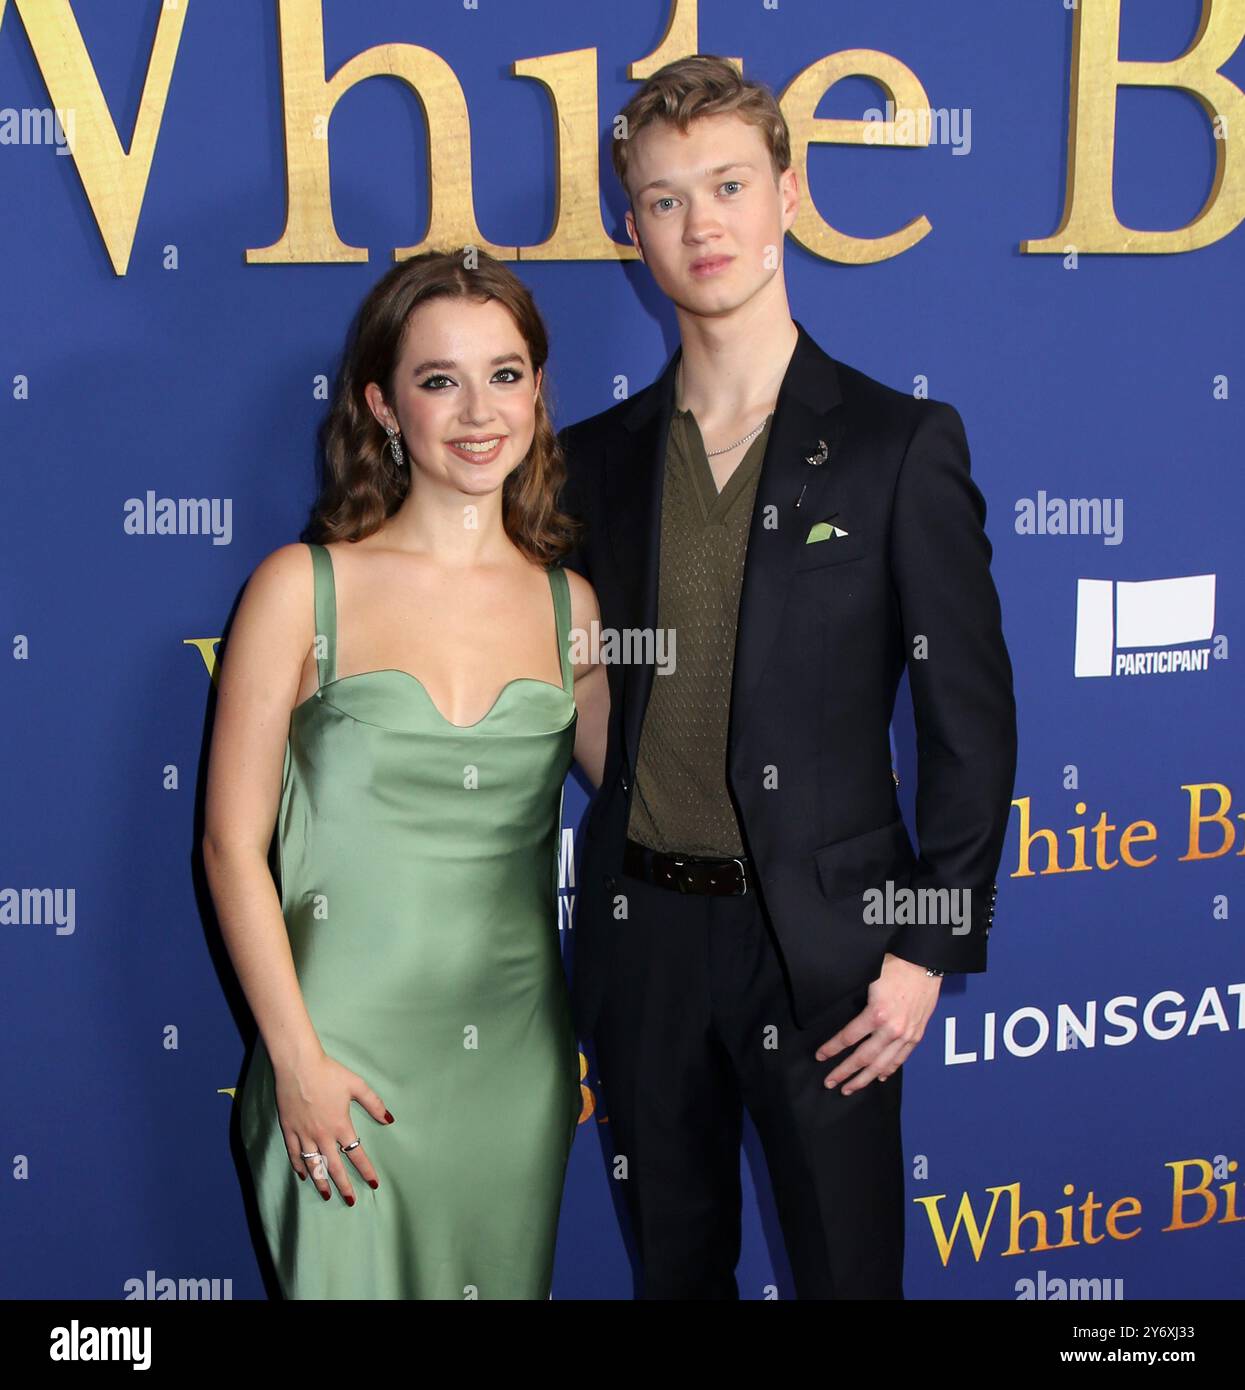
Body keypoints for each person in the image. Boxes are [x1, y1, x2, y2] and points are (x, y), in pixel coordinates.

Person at [557, 55, 1017, 1299]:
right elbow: (598, 689)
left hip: (830, 954)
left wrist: (922, 951)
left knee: (849, 1279)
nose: (701, 224)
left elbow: (969, 726)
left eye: (727, 185)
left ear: (790, 193)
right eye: (663, 199)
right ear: (630, 230)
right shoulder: (592, 463)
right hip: (642, 940)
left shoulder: (897, 444)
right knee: (674, 1278)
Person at [202, 248, 608, 1299]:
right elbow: (230, 845)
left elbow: (660, 795)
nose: (480, 410)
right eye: (441, 379)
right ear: (384, 404)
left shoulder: (574, 609)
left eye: (506, 373)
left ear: (538, 392)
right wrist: (294, 1060)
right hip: (338, 1054)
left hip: (512, 1069)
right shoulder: (302, 589)